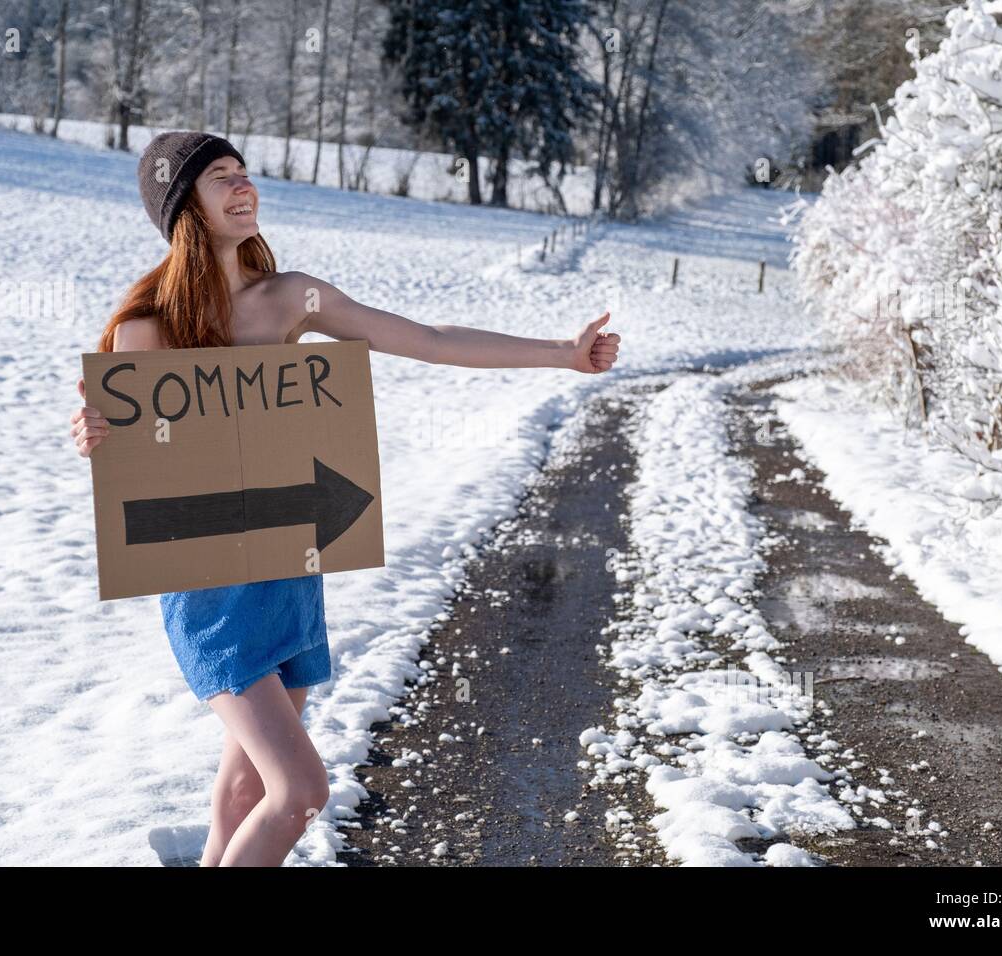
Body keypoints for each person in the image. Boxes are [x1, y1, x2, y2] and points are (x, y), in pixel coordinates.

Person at [69, 131, 621, 866]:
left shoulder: (291, 297)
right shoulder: (146, 331)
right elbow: (136, 464)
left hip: (291, 577)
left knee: (242, 794)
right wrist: (96, 431)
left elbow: (426, 338)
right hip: (212, 599)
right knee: (298, 792)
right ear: (184, 211)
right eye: (221, 179)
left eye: (244, 171)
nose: (244, 187)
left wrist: (560, 353)